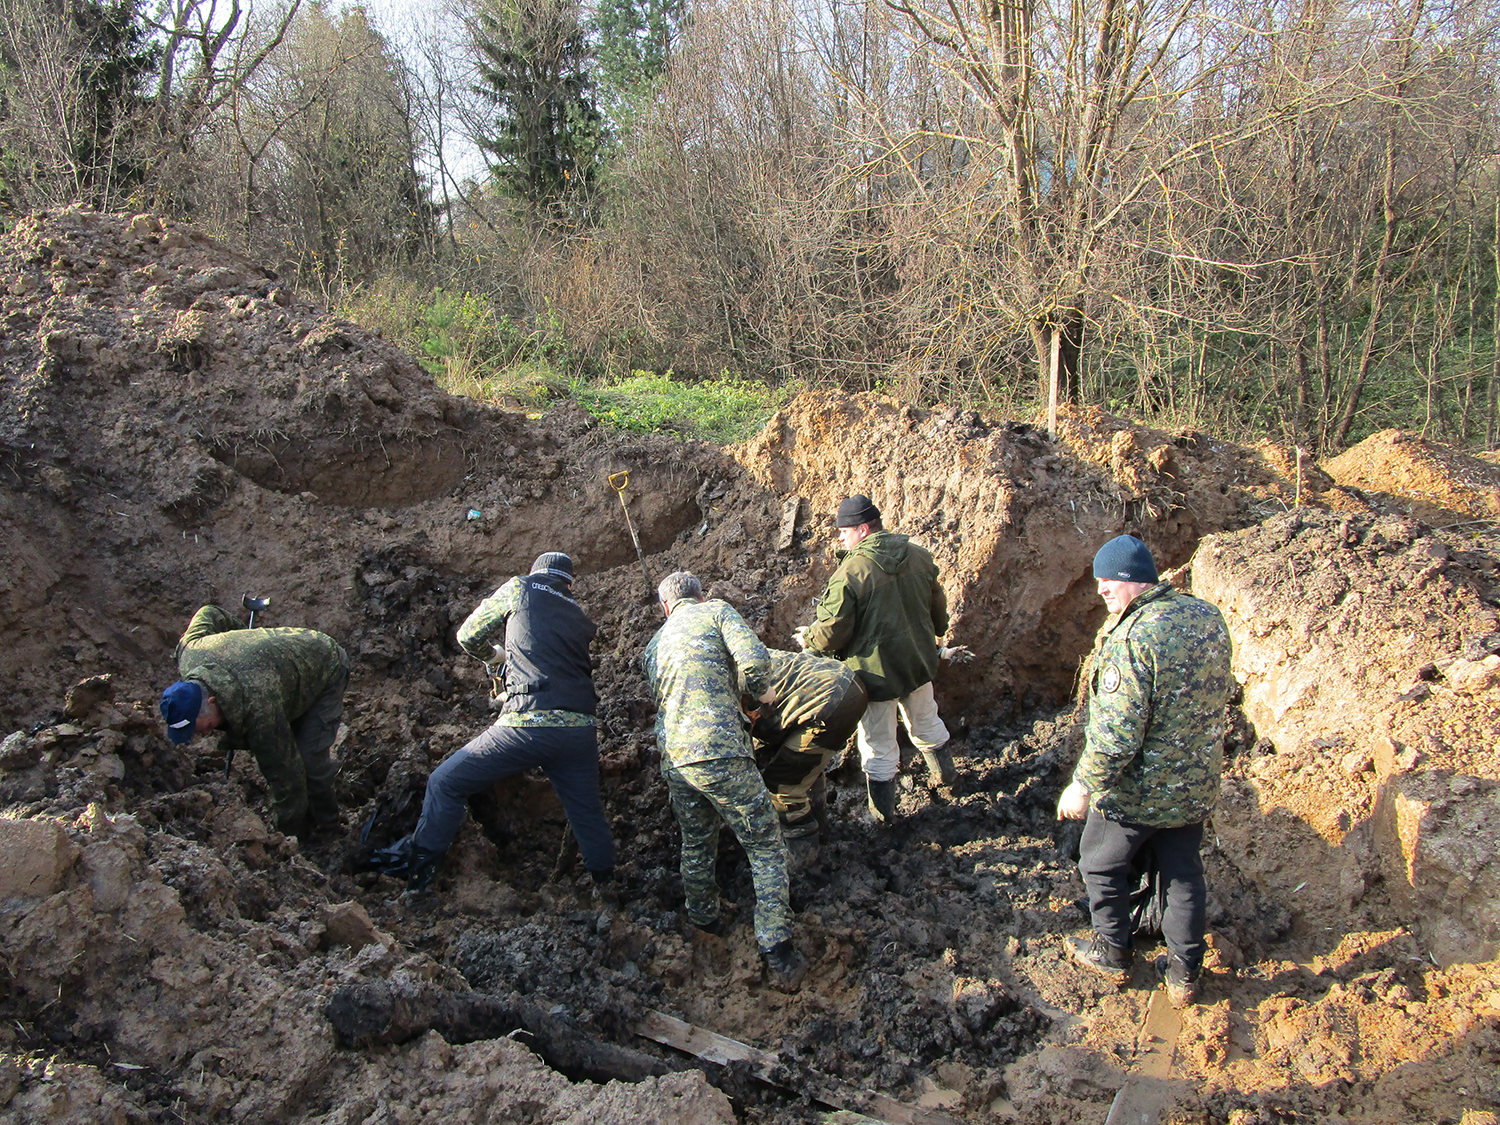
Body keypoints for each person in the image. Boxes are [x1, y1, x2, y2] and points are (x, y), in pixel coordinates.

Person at [1056, 534, 1233, 1008]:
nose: (1101, 591)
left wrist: (1083, 785)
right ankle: (1185, 973)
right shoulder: (1206, 616)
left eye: (1107, 581)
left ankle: (1113, 952)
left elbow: (1117, 735)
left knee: (1100, 863)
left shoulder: (1134, 638)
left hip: (1139, 792)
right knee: (1183, 873)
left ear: (1132, 579)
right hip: (1194, 783)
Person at [402, 552, 616, 897]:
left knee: (444, 783)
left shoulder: (521, 588)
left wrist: (495, 657)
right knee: (589, 817)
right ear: (568, 585)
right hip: (579, 730)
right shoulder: (578, 614)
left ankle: (418, 884)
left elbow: (468, 635)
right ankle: (608, 893)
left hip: (527, 724)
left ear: (535, 572)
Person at [641, 571, 808, 991]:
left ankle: (705, 923)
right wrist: (762, 694)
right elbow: (755, 659)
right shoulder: (716, 612)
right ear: (702, 596)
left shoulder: (654, 644)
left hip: (677, 759)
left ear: (665, 607)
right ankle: (777, 948)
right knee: (765, 844)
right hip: (722, 751)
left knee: (697, 843)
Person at [800, 494, 955, 823]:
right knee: (927, 722)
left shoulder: (851, 573)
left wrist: (808, 639)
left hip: (875, 676)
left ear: (863, 530)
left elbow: (832, 631)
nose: (840, 538)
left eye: (844, 531)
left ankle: (883, 818)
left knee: (879, 745)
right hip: (917, 662)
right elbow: (938, 610)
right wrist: (935, 638)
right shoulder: (918, 555)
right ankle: (947, 779)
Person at [161, 605, 350, 838]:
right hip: (280, 671)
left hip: (323, 663)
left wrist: (286, 839)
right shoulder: (190, 653)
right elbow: (208, 613)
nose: (207, 735)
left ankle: (328, 828)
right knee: (291, 742)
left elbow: (286, 779)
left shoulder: (258, 708)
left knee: (308, 760)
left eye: (206, 727)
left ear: (212, 701)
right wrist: (244, 639)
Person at [750, 648, 868, 863]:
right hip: (842, 680)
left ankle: (804, 862)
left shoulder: (718, 686)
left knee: (783, 788)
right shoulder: (742, 653)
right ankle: (822, 830)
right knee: (803, 770)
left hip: (828, 703)